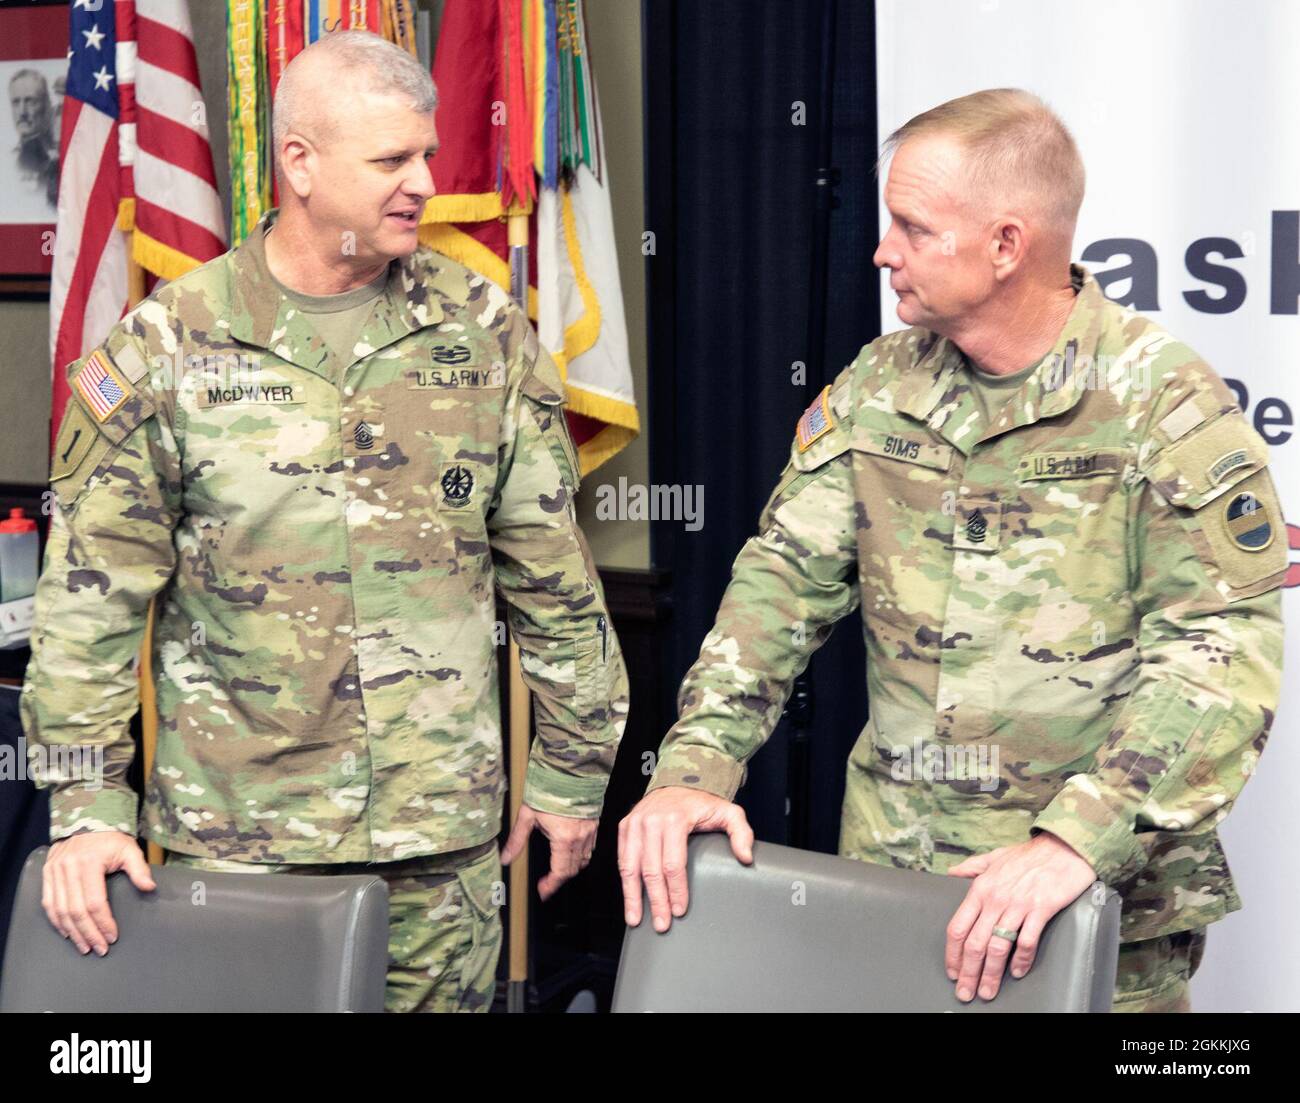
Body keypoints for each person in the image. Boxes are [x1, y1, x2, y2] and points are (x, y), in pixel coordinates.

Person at [618, 88, 1286, 1013]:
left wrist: (1074, 841)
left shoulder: (1160, 404)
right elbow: (779, 587)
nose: (884, 249)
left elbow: (1219, 660)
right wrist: (695, 769)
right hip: (899, 889)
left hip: (1092, 908)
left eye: (912, 227)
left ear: (1007, 244)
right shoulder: (879, 386)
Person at [23, 30, 628, 1014]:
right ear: (298, 161)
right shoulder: (162, 348)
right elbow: (87, 604)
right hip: (242, 851)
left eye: (427, 154)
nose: (426, 183)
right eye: (392, 160)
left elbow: (554, 578)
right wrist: (88, 807)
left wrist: (571, 770)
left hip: (441, 851)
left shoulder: (486, 336)